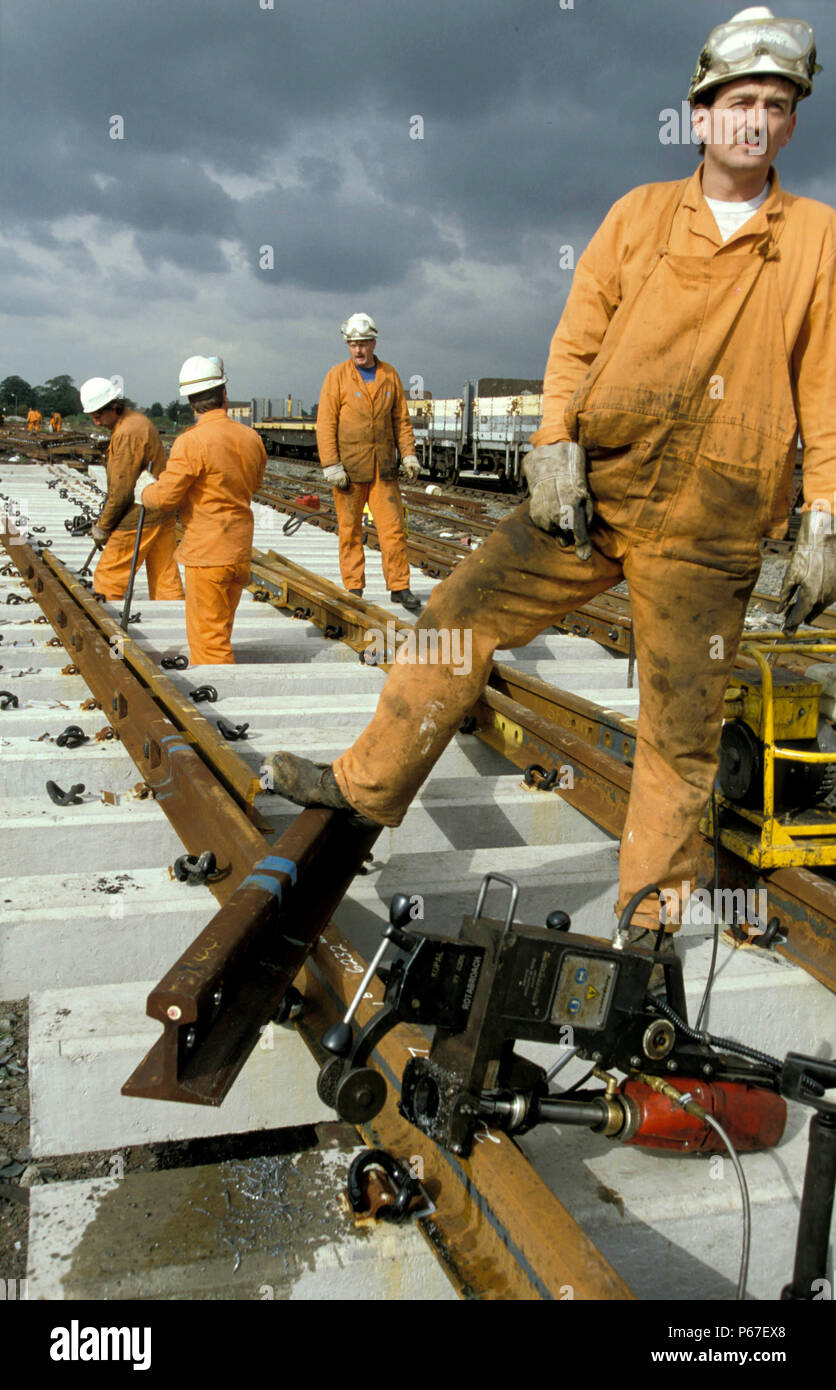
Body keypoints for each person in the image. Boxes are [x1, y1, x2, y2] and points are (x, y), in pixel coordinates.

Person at [262, 8, 836, 958]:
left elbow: (824, 385)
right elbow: (576, 340)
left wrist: (824, 512)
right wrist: (552, 439)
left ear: (791, 122)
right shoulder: (640, 215)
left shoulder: (816, 240)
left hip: (714, 519)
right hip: (593, 494)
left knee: (681, 723)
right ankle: (366, 786)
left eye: (777, 105)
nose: (755, 121)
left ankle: (650, 916)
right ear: (700, 115)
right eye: (739, 101)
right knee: (450, 618)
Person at [134, 355, 266, 665]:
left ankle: (218, 704)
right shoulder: (252, 438)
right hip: (239, 553)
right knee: (221, 631)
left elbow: (166, 497)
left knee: (210, 646)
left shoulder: (191, 442)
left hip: (208, 556)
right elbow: (253, 486)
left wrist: (144, 490)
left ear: (192, 403)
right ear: (224, 395)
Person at [316, 312, 422, 611]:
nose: (358, 350)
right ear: (347, 346)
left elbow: (401, 420)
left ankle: (399, 586)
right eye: (353, 344)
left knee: (393, 528)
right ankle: (354, 586)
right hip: (349, 469)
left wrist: (409, 453)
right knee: (349, 529)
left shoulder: (389, 374)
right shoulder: (336, 376)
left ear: (373, 343)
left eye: (363, 344)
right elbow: (325, 423)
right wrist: (331, 464)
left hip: (383, 467)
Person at [80, 377, 184, 603]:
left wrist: (103, 526)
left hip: (140, 514)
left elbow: (122, 491)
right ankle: (173, 621)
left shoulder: (127, 432)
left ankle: (110, 630)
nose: (96, 423)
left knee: (109, 576)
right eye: (93, 417)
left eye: (98, 416)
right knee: (165, 575)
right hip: (161, 509)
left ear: (113, 407)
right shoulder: (135, 421)